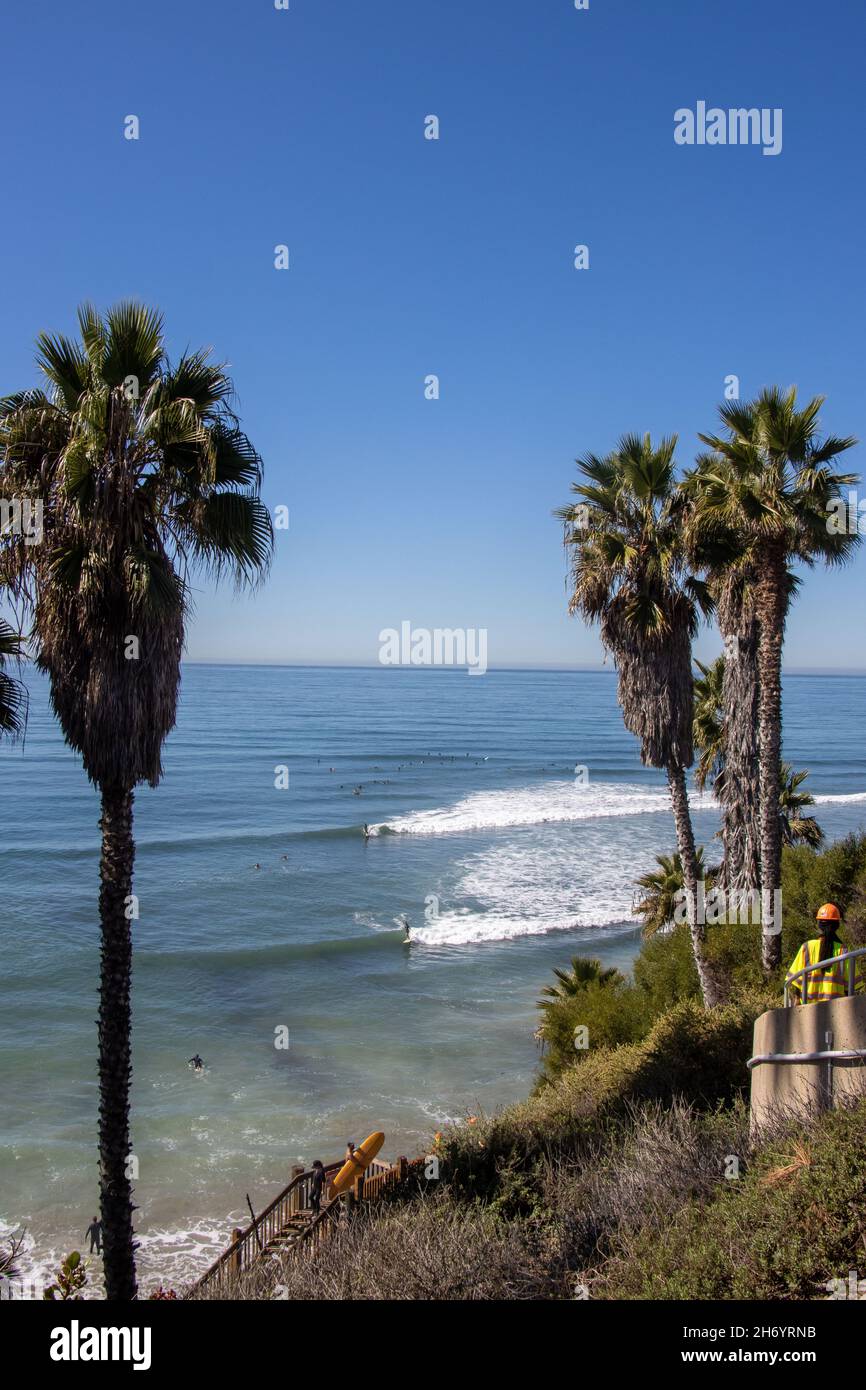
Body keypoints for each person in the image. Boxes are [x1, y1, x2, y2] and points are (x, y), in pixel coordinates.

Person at [786, 904, 865, 1004]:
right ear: (837, 925)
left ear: (819, 924)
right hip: (836, 1011)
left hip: (808, 1012)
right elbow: (852, 987)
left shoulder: (806, 948)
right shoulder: (843, 950)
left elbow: (796, 985)